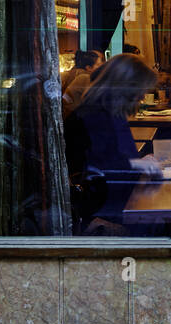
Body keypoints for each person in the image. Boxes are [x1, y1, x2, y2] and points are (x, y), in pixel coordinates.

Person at [65, 53, 161, 226]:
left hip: (112, 198)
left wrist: (140, 163)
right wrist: (140, 164)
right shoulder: (96, 116)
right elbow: (106, 171)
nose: (141, 97)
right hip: (106, 207)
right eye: (140, 91)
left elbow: (112, 161)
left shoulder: (105, 111)